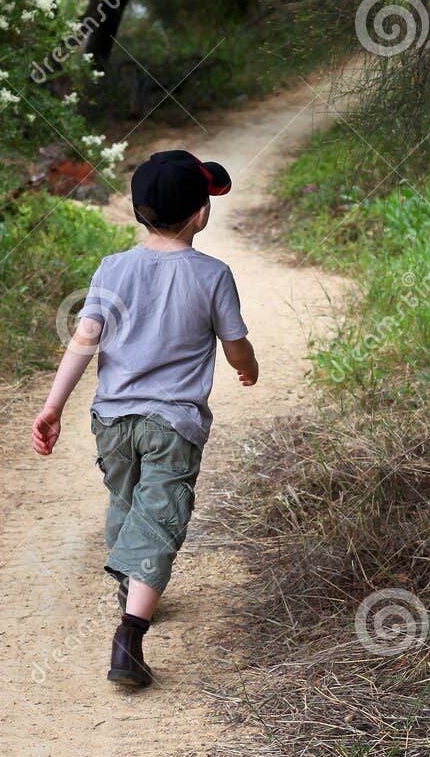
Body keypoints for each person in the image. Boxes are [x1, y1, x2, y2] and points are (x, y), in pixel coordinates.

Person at [31, 149, 259, 688]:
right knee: (160, 516)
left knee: (127, 501)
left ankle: (132, 583)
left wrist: (53, 405)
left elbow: (84, 339)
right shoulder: (213, 275)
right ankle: (130, 636)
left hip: (112, 421)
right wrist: (247, 367)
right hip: (173, 425)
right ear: (201, 214)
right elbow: (235, 344)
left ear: (139, 213)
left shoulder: (113, 268)